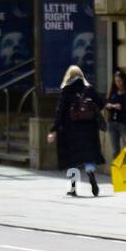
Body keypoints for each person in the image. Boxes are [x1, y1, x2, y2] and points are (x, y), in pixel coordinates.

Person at [46, 64, 105, 197]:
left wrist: (53, 129)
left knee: (72, 160)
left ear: (68, 76)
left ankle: (73, 187)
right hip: (89, 129)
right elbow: (101, 103)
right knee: (88, 156)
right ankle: (91, 175)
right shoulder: (89, 89)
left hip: (71, 130)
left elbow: (60, 112)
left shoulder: (66, 90)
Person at [104, 69, 126, 162]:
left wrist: (122, 108)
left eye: (120, 81)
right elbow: (106, 104)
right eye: (116, 81)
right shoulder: (113, 93)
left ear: (124, 81)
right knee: (115, 151)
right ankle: (118, 174)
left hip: (124, 124)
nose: (118, 83)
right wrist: (112, 106)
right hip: (112, 123)